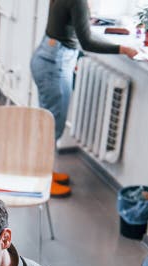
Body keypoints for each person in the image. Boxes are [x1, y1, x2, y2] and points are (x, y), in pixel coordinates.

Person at [31, 0, 138, 198]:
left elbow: (65, 26)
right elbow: (87, 42)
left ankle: (45, 172)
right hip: (54, 64)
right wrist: (122, 49)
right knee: (52, 126)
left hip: (49, 57)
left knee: (49, 123)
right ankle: (42, 179)